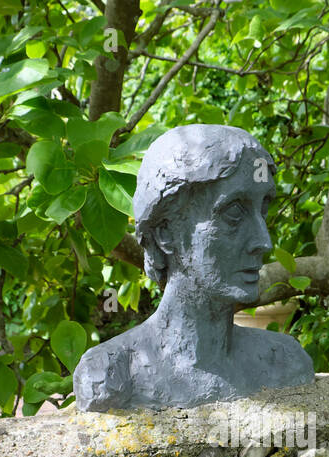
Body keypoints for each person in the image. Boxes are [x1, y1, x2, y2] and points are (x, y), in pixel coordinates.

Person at [74, 124, 314, 412]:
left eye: (262, 209)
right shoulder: (112, 374)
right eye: (234, 212)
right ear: (165, 233)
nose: (264, 241)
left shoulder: (283, 362)